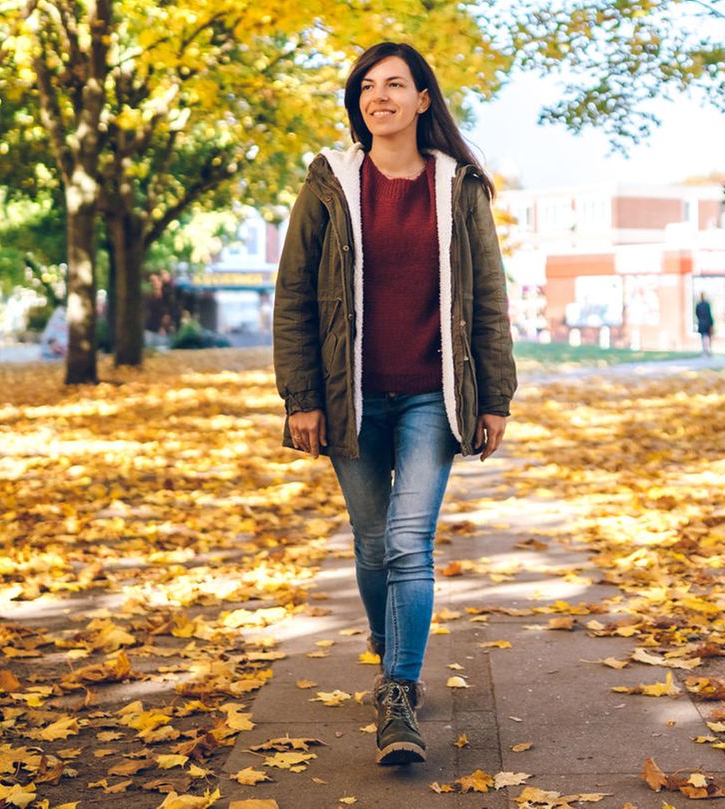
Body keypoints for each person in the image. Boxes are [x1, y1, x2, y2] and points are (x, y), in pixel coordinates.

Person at [272, 41, 517, 767]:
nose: (379, 96)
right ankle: (388, 642)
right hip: (348, 397)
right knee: (373, 542)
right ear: (359, 104)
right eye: (367, 87)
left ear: (422, 100)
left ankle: (398, 693)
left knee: (411, 544)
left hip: (431, 396)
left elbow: (490, 301)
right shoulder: (329, 183)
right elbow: (293, 300)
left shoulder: (460, 187)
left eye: (395, 85)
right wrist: (301, 397)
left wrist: (495, 395)